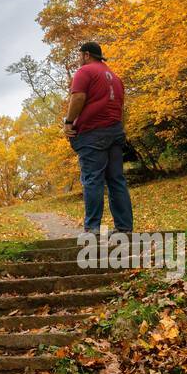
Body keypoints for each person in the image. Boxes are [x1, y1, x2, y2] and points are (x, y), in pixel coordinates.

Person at [64, 41, 133, 235]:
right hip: (115, 132)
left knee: (92, 179)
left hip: (92, 133)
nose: (78, 60)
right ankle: (124, 227)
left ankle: (93, 228)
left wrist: (69, 122)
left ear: (87, 55)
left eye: (80, 56)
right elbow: (121, 107)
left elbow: (77, 98)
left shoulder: (85, 72)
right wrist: (120, 130)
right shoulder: (116, 78)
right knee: (116, 180)